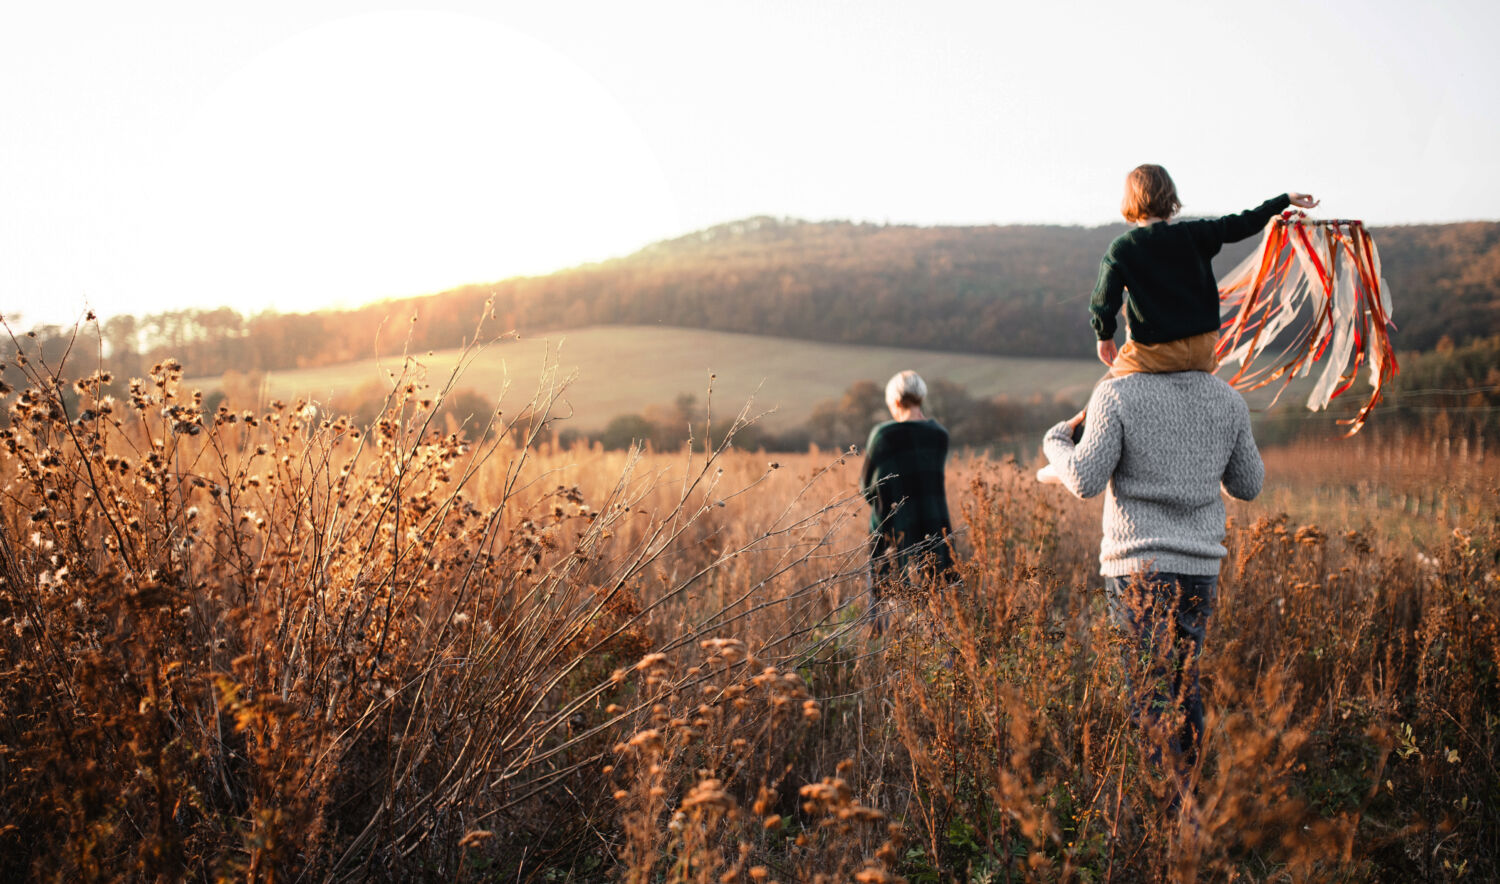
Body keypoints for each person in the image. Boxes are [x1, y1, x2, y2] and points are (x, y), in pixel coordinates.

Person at [1039, 368, 1263, 807]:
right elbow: (1248, 485)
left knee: (1149, 694)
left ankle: (1170, 824)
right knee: (1184, 686)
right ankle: (1189, 810)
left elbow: (1084, 480)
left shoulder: (1116, 393)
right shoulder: (1228, 399)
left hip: (1140, 570)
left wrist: (1056, 440)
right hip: (1199, 568)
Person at [1091, 163, 1319, 376]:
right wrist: (1284, 199)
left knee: (1107, 389)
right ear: (1170, 196)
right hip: (1204, 350)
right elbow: (1244, 223)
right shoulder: (1196, 233)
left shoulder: (1122, 249)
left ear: (1130, 199)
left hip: (1155, 353)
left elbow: (1105, 301)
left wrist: (1105, 336)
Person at [859, 371, 957, 620]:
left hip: (893, 531)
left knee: (889, 612)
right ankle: (940, 658)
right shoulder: (939, 435)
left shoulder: (883, 436)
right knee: (936, 610)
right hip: (935, 528)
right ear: (921, 398)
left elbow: (866, 488)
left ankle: (883, 648)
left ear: (894, 402)